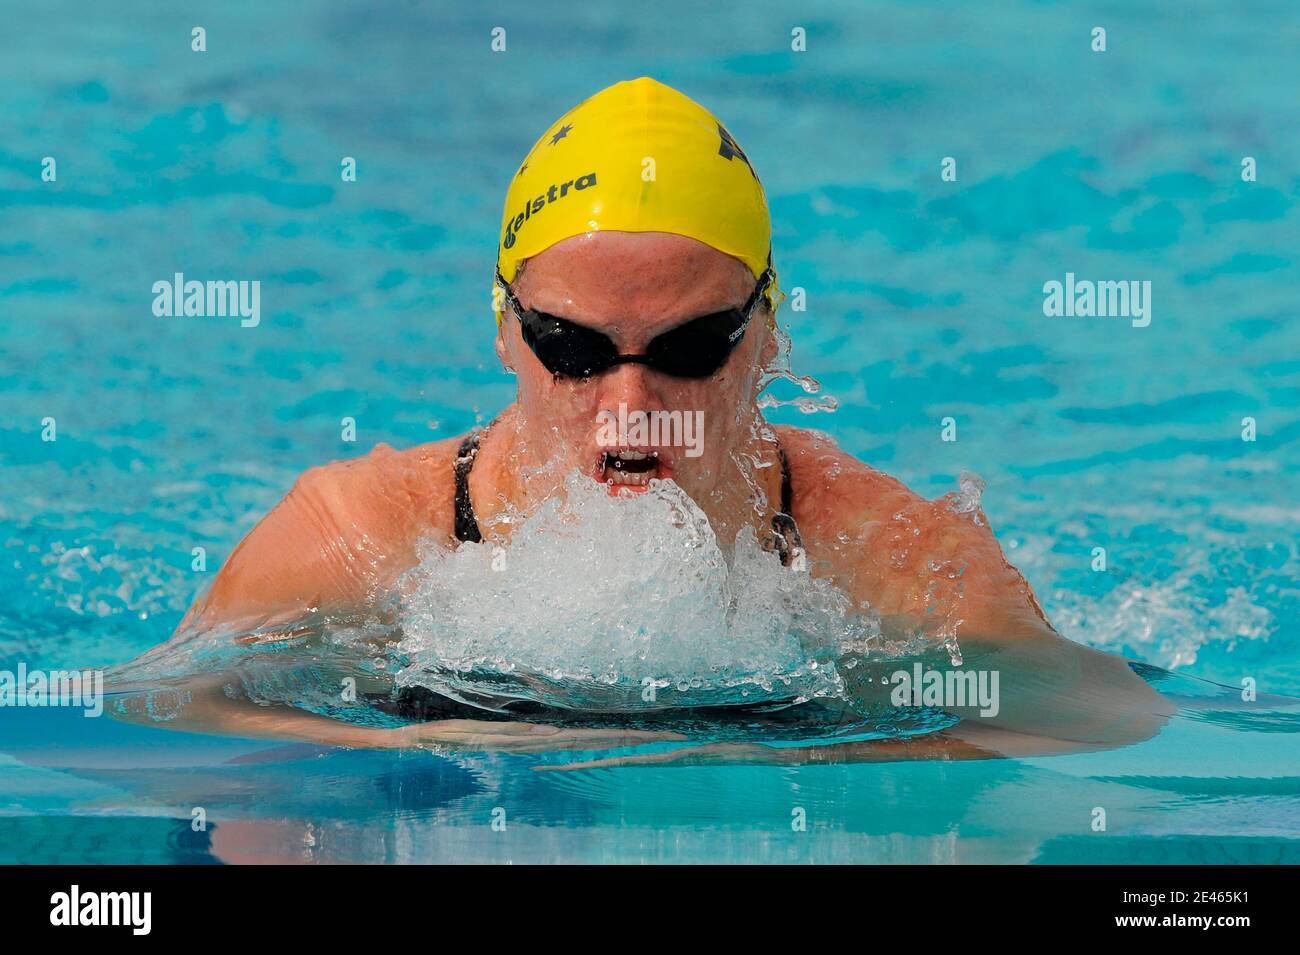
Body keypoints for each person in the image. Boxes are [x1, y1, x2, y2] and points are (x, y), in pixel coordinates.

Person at [125, 77, 1171, 762]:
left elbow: (1104, 720)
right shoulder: (355, 537)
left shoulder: (892, 560)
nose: (629, 417)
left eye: (687, 351)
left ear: (766, 335)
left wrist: (782, 761)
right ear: (503, 329)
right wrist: (422, 749)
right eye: (572, 351)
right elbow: (150, 719)